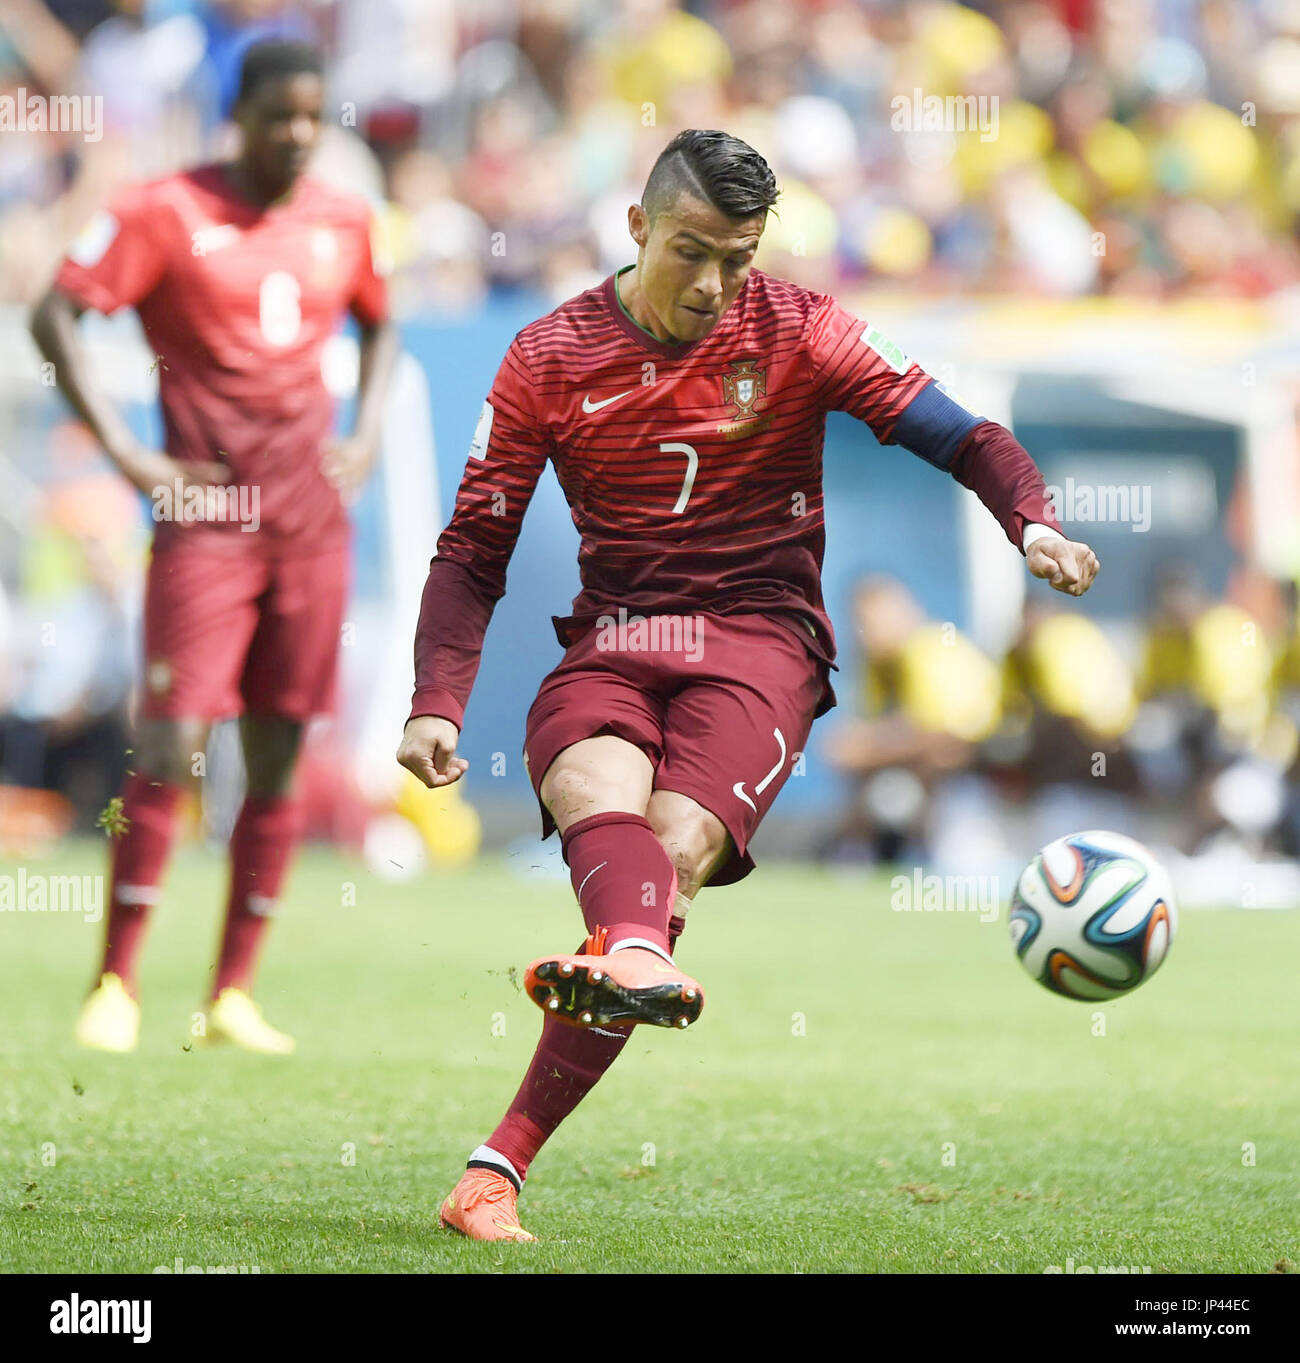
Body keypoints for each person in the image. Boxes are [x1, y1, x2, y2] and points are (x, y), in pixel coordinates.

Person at [396, 129, 1098, 1241]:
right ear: (635, 229)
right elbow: (474, 546)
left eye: (738, 254)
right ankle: (548, 1085)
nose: (715, 282)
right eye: (691, 251)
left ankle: (504, 1158)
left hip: (759, 638)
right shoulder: (546, 355)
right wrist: (438, 696)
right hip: (616, 635)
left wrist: (1034, 520)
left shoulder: (803, 330)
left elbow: (964, 437)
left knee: (668, 851)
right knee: (589, 785)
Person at [30, 40, 398, 1054]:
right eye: (277, 115)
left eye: (309, 118)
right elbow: (52, 313)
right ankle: (117, 980)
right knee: (168, 745)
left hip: (310, 525)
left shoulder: (342, 218)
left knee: (277, 753)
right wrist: (128, 454)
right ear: (237, 115)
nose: (293, 134)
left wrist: (364, 432)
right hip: (206, 519)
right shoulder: (164, 212)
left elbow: (382, 323)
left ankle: (232, 992)